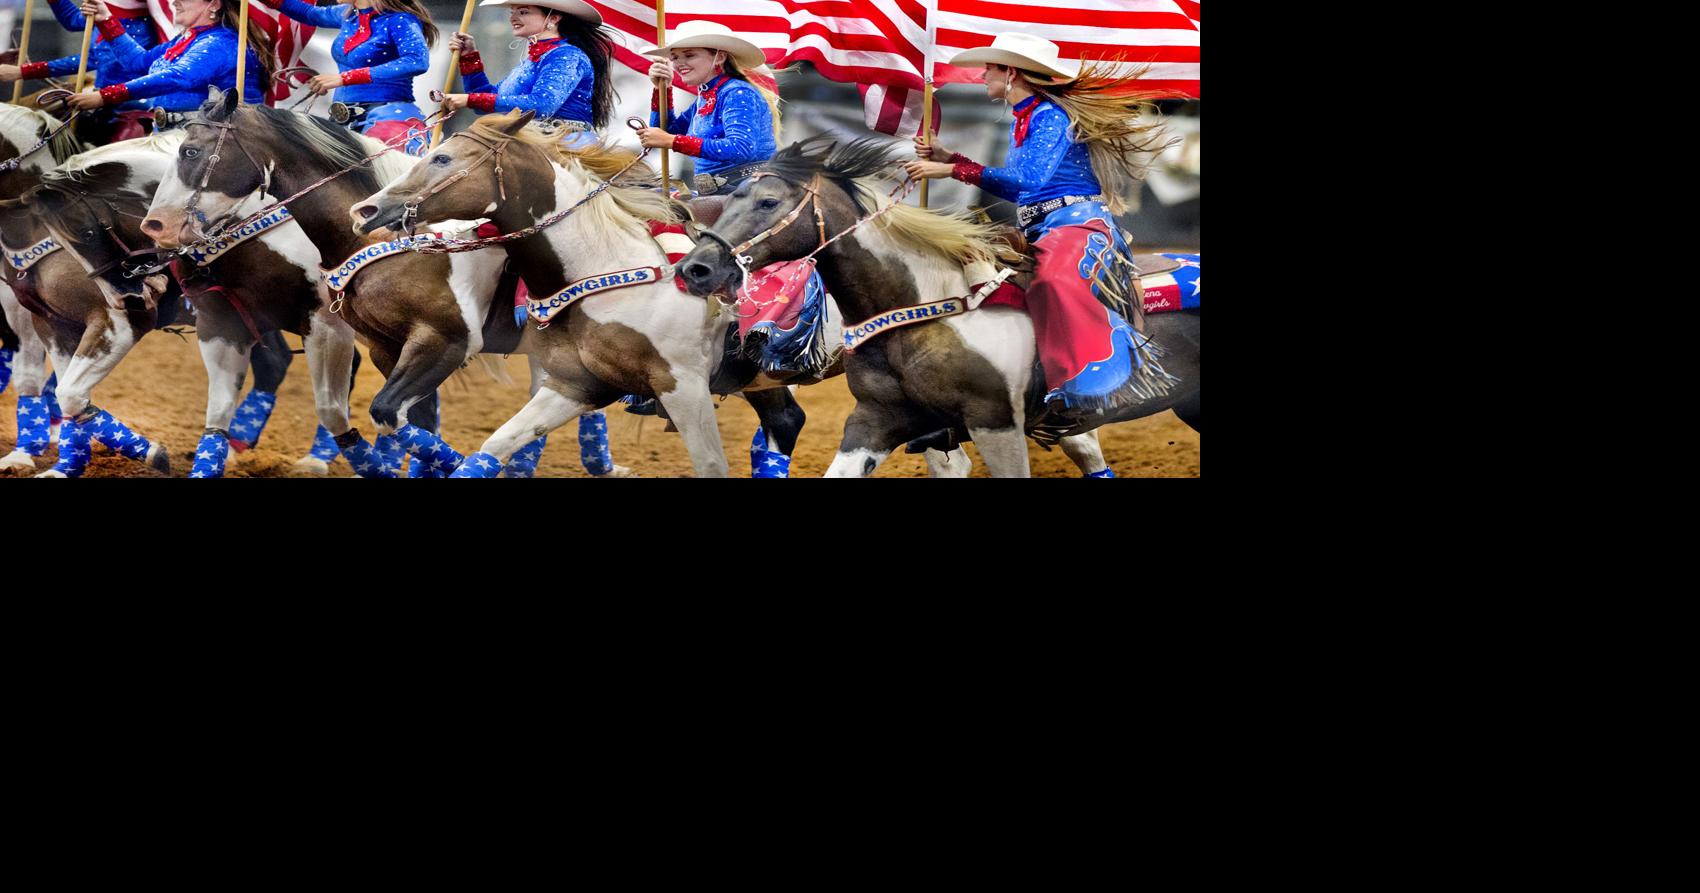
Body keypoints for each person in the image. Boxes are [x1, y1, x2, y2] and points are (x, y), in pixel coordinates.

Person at [904, 33, 1175, 417]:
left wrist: (951, 170)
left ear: (1011, 73)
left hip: (1078, 225)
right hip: (1043, 228)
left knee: (1054, 280)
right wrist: (953, 158)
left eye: (990, 69)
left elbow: (1027, 181)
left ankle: (1095, 382)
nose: (982, 76)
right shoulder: (1026, 118)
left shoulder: (1050, 116)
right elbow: (1018, 187)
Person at [255, 0, 435, 153]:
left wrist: (345, 78)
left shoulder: (400, 20)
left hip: (388, 120)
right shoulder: (348, 14)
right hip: (344, 120)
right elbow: (310, 13)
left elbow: (416, 61)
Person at [64, 0, 270, 128]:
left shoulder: (222, 42)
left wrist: (105, 96)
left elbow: (177, 77)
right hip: (176, 138)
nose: (174, 2)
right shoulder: (187, 39)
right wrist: (106, 20)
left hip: (212, 146)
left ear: (214, 4)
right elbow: (138, 63)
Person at [440, 0, 614, 148]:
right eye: (512, 12)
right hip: (531, 142)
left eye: (523, 12)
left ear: (553, 18)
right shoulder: (533, 60)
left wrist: (470, 99)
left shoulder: (567, 55)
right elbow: (485, 99)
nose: (513, 18)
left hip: (568, 146)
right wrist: (469, 56)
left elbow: (543, 105)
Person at [635, 19, 779, 196]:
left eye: (689, 55)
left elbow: (741, 148)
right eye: (675, 58)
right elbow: (663, 132)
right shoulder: (705, 97)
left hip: (748, 195)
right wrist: (662, 88)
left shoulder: (737, 92)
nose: (679, 63)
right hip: (717, 194)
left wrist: (672, 141)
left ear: (720, 57)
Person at [0, 0, 160, 141]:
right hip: (101, 100)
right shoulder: (108, 10)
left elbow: (95, 59)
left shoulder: (140, 22)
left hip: (131, 105)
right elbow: (73, 20)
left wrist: (25, 71)